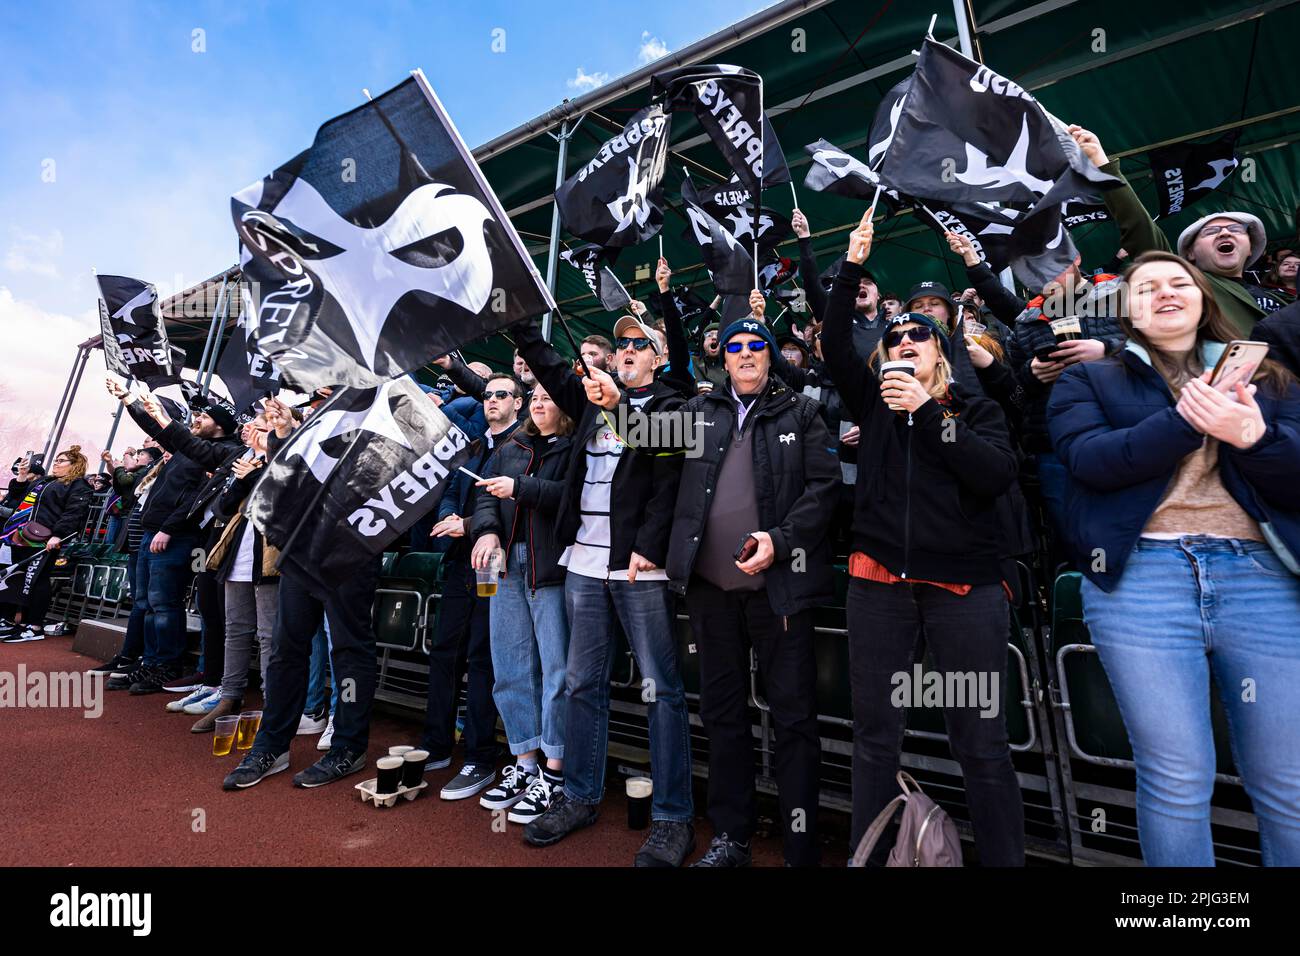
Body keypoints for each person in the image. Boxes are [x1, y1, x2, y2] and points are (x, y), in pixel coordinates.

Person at [1047, 250, 1300, 866]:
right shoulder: (1088, 379)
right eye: (1146, 287)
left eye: (1178, 283)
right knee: (1178, 777)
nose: (1164, 293)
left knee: (1288, 779)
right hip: (1144, 581)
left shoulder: (1270, 378)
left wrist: (1255, 439)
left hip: (1260, 578)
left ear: (1203, 297)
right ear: (1126, 311)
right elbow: (1093, 462)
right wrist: (1187, 421)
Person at [823, 212, 1025, 866]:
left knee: (981, 744)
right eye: (896, 335)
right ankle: (870, 859)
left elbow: (995, 475)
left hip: (963, 593)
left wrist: (932, 413)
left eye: (920, 335)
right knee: (876, 738)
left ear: (941, 351)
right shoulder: (871, 405)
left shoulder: (975, 408)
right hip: (878, 586)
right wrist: (851, 263)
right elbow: (830, 343)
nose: (906, 339)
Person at [513, 306, 695, 867]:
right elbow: (548, 367)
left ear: (659, 357)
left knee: (661, 691)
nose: (630, 350)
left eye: (642, 343)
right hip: (585, 568)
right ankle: (579, 796)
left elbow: (672, 466)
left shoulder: (676, 404)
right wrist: (520, 319)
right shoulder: (592, 399)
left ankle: (671, 817)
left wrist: (650, 543)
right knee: (581, 684)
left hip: (640, 568)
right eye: (623, 345)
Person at [665, 306, 838, 866]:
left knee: (793, 718)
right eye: (735, 346)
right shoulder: (696, 411)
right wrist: (614, 404)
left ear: (770, 356)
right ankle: (731, 835)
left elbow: (825, 489)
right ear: (722, 356)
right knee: (722, 714)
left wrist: (780, 541)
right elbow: (638, 439)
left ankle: (800, 847)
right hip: (710, 591)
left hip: (779, 591)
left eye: (755, 347)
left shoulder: (803, 412)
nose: (744, 354)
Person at [222, 395, 384, 791]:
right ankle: (272, 744)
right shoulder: (319, 419)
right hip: (302, 550)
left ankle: (348, 745)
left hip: (351, 549)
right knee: (285, 648)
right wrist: (281, 433)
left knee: (348, 650)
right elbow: (291, 473)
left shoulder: (378, 410)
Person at [469, 383, 575, 824]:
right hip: (503, 567)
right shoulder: (510, 445)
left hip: (549, 568)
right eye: (534, 397)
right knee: (509, 669)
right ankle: (525, 762)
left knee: (556, 671)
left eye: (548, 398)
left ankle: (554, 771)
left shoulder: (574, 447)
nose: (538, 403)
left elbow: (568, 500)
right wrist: (486, 530)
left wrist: (520, 488)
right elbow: (482, 495)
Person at [1069, 124, 1286, 331]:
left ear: (1251, 247)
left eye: (1236, 230)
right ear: (1190, 252)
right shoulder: (1186, 286)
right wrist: (1102, 165)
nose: (1225, 232)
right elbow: (1139, 228)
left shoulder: (1281, 298)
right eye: (1211, 232)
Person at [422, 373, 524, 800]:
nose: (491, 401)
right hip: (461, 563)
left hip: (496, 564)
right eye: (487, 395)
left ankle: (479, 757)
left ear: (519, 402)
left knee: (483, 658)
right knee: (445, 649)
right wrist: (449, 517)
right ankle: (436, 744)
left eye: (502, 394)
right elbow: (450, 487)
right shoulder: (473, 443)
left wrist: (467, 524)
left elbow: (511, 502)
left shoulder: (522, 447)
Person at [101, 379, 238, 693]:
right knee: (149, 603)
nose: (196, 420)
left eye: (204, 417)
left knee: (164, 604)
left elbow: (196, 497)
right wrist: (128, 400)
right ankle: (151, 662)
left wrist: (168, 528)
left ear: (220, 425)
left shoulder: (218, 453)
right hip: (153, 533)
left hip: (176, 537)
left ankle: (167, 663)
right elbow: (159, 427)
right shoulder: (187, 445)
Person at [188, 411, 280, 734]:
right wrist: (241, 479)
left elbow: (275, 501)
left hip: (269, 558)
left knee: (269, 635)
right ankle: (229, 697)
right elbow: (223, 508)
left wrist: (255, 474)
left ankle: (272, 704)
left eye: (261, 425)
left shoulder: (283, 459)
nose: (252, 429)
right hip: (237, 553)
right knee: (236, 630)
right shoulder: (241, 459)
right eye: (253, 424)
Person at [0, 447, 92, 642]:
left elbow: (74, 512)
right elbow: (17, 496)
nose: (56, 463)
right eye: (56, 460)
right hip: (21, 537)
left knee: (38, 580)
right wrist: (22, 476)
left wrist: (58, 535)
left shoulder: (78, 485)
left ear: (75, 465)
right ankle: (19, 623)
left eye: (61, 460)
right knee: (18, 579)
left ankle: (35, 626)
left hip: (45, 539)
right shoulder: (45, 480)